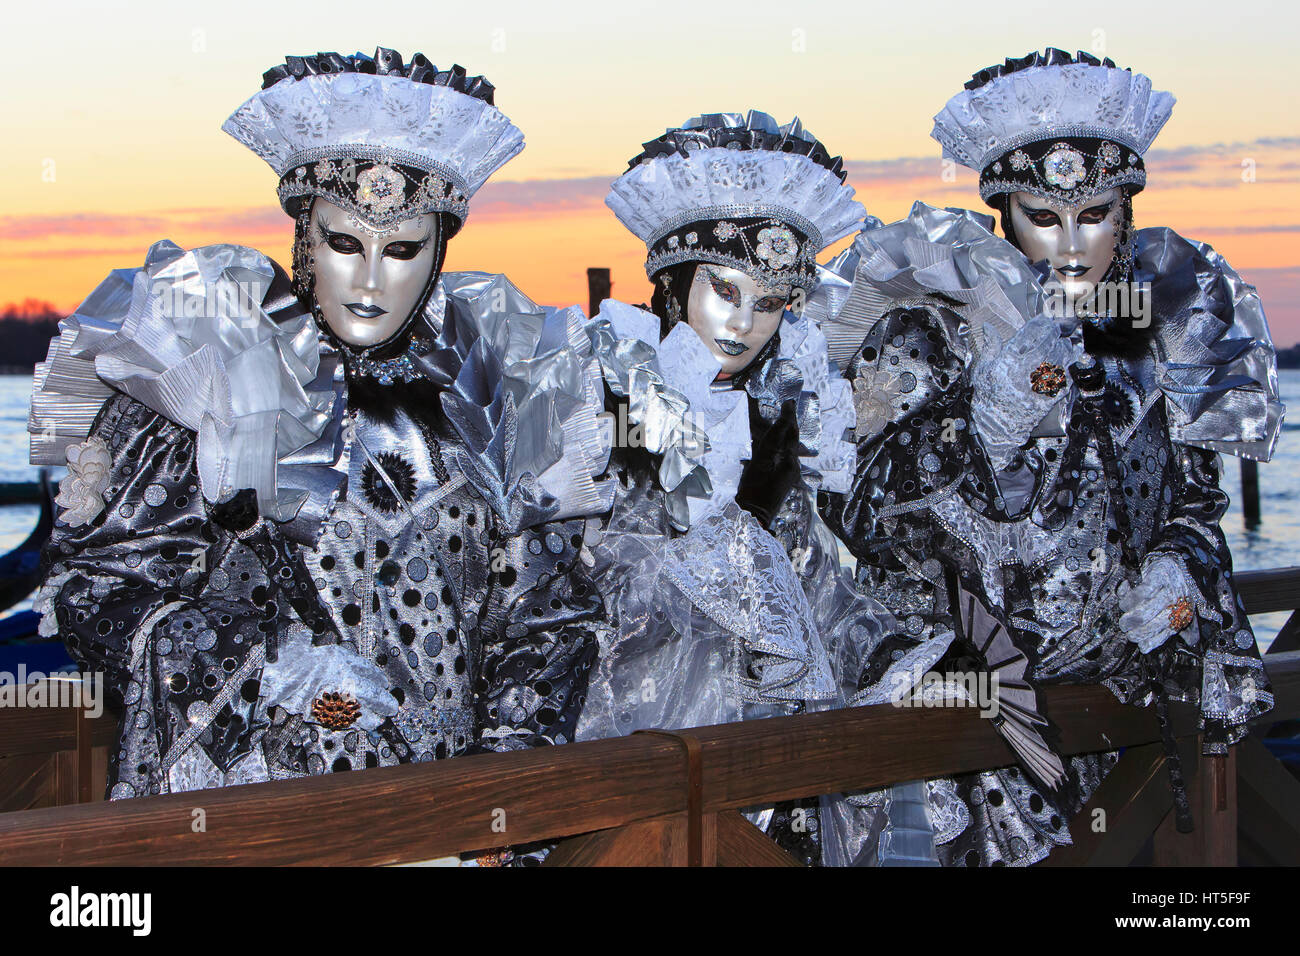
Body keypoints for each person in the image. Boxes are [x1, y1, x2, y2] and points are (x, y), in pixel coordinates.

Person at [30, 49, 611, 799]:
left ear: (438, 256)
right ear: (306, 238)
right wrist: (263, 665)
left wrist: (499, 786)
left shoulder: (492, 401)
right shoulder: (212, 380)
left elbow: (546, 616)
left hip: (440, 826)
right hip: (249, 815)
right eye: (345, 244)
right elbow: (98, 590)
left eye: (402, 250)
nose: (370, 280)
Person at [573, 111, 895, 864]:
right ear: (674, 282)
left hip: (773, 769)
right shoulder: (607, 400)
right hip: (641, 762)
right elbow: (578, 590)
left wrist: (892, 656)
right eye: (724, 289)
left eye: (771, 301)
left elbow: (816, 583)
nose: (744, 323)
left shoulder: (784, 426)